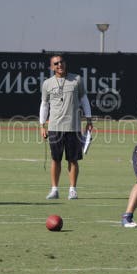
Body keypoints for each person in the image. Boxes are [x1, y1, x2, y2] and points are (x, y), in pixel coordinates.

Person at [39, 53, 93, 200]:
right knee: (55, 159)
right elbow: (44, 104)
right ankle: (54, 189)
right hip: (54, 126)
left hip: (73, 127)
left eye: (61, 62)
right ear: (51, 67)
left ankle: (72, 190)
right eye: (55, 63)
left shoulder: (77, 79)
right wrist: (42, 125)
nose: (59, 65)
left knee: (73, 159)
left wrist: (89, 119)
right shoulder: (47, 84)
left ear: (65, 63)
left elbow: (84, 99)